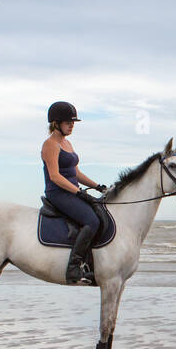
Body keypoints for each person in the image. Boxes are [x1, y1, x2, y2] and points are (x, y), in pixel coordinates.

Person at [40, 101, 107, 284]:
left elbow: (76, 173)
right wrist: (79, 193)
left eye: (73, 123)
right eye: (68, 122)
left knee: (100, 213)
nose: (72, 126)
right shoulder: (50, 145)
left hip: (72, 191)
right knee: (92, 221)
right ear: (56, 123)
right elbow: (55, 176)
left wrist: (97, 186)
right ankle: (73, 269)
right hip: (58, 193)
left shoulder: (67, 143)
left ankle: (91, 264)